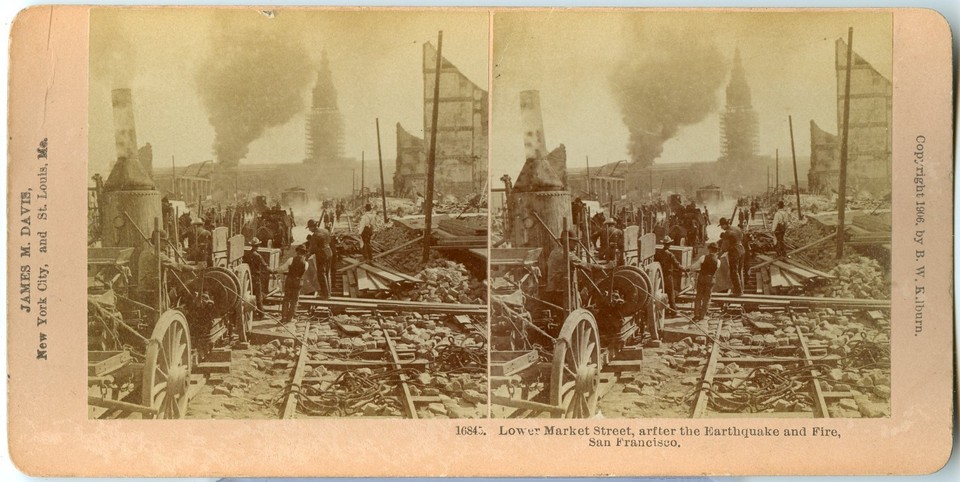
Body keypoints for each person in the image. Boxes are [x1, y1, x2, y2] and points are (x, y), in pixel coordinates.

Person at [138, 229, 197, 306]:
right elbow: (176, 266)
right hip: (152, 291)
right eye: (164, 242)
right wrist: (195, 267)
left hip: (144, 289)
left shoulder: (145, 251)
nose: (167, 244)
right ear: (157, 241)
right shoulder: (156, 254)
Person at [242, 237, 273, 315]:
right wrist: (273, 271)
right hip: (256, 277)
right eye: (257, 245)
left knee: (251, 293)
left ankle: (254, 310)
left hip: (248, 277)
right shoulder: (258, 256)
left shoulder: (247, 254)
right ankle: (261, 313)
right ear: (257, 246)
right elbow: (265, 266)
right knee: (258, 295)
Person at [654, 236, 683, 317]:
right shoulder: (670, 254)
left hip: (659, 276)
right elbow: (677, 264)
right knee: (671, 294)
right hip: (668, 276)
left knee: (662, 292)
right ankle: (674, 311)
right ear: (669, 244)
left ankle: (664, 308)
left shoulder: (658, 253)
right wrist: (684, 269)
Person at [280, 244, 308, 323]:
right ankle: (289, 318)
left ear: (297, 251)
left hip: (289, 281)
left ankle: (283, 317)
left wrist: (276, 270)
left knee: (286, 299)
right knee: (294, 300)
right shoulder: (306, 263)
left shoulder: (291, 260)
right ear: (304, 253)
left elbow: (283, 268)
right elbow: (301, 272)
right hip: (298, 282)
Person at [692, 243, 720, 321]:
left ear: (709, 249)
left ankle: (696, 315)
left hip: (702, 278)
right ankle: (702, 316)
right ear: (716, 251)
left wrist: (690, 268)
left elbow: (694, 267)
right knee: (707, 298)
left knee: (698, 296)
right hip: (711, 279)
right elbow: (714, 270)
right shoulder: (718, 261)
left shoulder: (703, 257)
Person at [718, 217, 745, 297]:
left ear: (725, 224)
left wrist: (718, 256)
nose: (721, 228)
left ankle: (738, 292)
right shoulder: (737, 228)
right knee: (739, 270)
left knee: (734, 272)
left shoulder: (727, 233)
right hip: (741, 250)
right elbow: (742, 238)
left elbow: (724, 247)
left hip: (734, 252)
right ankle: (741, 288)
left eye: (721, 226)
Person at [307, 219, 333, 299]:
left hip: (322, 255)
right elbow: (330, 240)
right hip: (329, 252)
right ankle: (329, 292)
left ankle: (325, 294)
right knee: (327, 273)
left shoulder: (314, 236)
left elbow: (313, 249)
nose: (309, 230)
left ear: (313, 227)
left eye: (309, 228)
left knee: (321, 274)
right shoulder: (325, 231)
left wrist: (306, 256)